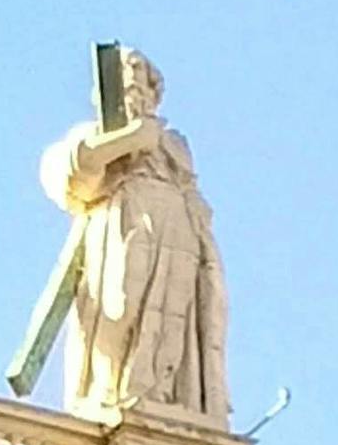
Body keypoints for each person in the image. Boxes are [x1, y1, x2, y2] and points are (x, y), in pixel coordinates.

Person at [39, 50, 229, 422]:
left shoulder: (174, 144)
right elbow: (72, 176)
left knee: (176, 316)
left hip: (178, 228)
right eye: (128, 85)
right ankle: (112, 392)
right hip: (123, 221)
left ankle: (168, 397)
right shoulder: (92, 134)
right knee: (121, 303)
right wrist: (127, 140)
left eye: (143, 85)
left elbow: (192, 190)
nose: (137, 93)